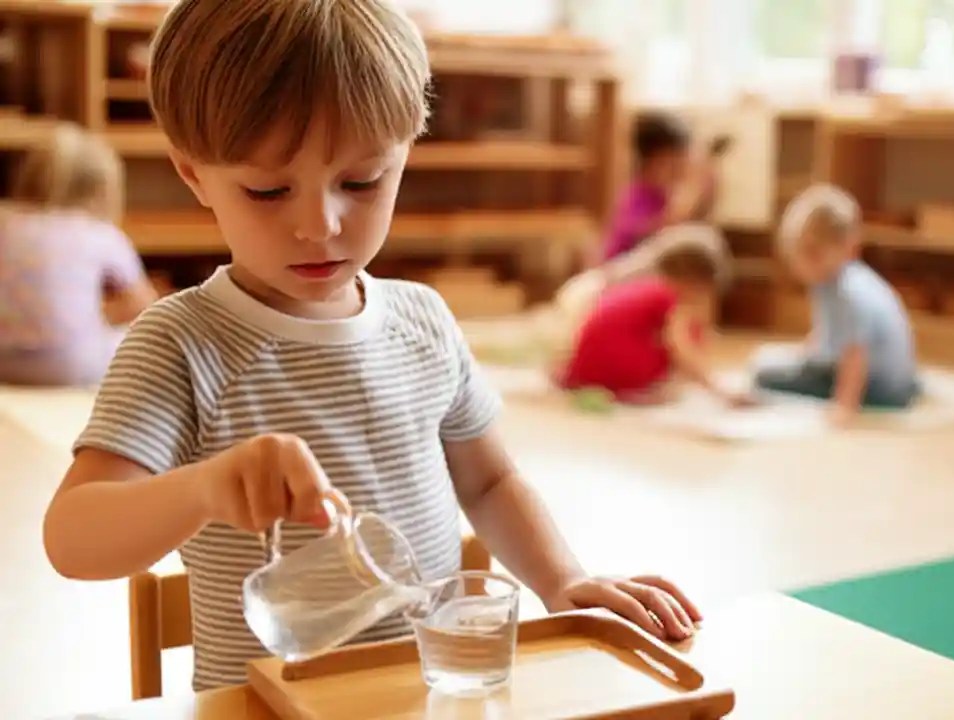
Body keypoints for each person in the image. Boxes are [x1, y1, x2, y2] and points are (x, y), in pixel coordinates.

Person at [41, 0, 699, 691]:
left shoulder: (424, 322)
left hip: (428, 697)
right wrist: (202, 490)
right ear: (193, 174)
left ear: (405, 153)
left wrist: (564, 581)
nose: (320, 225)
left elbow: (490, 480)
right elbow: (72, 539)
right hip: (270, 707)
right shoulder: (182, 344)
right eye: (268, 191)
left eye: (361, 181)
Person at [0, 123, 156, 386]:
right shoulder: (99, 232)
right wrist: (97, 313)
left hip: (4, 362)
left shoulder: (6, 221)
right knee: (147, 339)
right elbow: (142, 305)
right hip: (72, 365)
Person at [754, 184, 919, 425]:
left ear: (848, 248)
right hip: (901, 384)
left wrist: (844, 405)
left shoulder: (847, 292)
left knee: (764, 375)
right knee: (774, 358)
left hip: (877, 388)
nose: (803, 263)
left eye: (813, 253)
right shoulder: (839, 279)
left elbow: (855, 353)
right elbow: (826, 334)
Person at [557, 227, 748, 406]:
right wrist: (718, 389)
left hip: (585, 370)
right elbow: (679, 346)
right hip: (618, 367)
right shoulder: (675, 297)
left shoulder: (644, 286)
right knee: (683, 349)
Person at [598, 112, 715, 263]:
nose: (678, 170)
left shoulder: (664, 195)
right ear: (650, 161)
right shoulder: (636, 197)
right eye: (672, 163)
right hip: (621, 272)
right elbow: (646, 239)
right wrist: (680, 210)